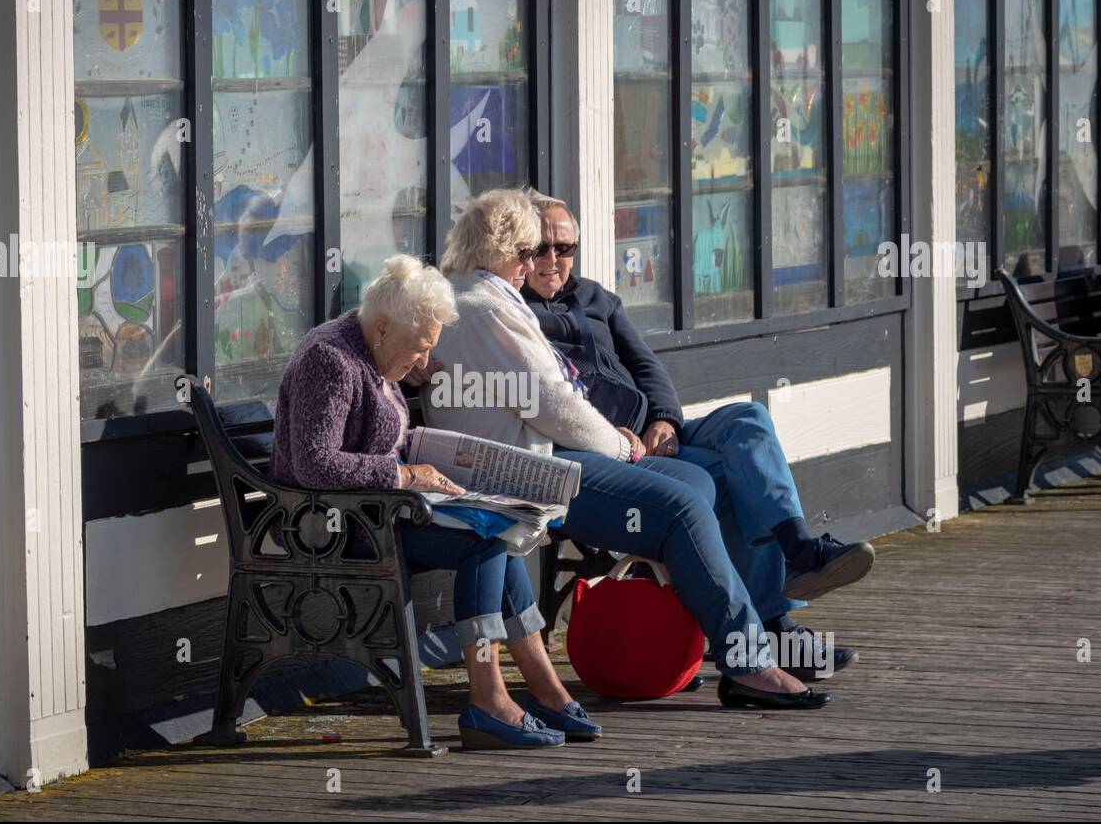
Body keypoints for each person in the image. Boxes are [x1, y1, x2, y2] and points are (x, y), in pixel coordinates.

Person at [422, 188, 829, 709]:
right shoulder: (483, 307)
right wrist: (626, 450)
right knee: (681, 504)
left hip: (538, 455)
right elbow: (556, 406)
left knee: (700, 481)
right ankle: (749, 661)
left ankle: (681, 643)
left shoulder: (486, 298)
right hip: (527, 472)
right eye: (527, 252)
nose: (537, 264)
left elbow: (611, 379)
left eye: (549, 251)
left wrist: (654, 427)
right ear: (497, 248)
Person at [517, 191, 875, 675]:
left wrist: (664, 418)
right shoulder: (515, 314)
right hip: (609, 454)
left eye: (565, 248)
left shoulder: (597, 299)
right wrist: (620, 439)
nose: (554, 260)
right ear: (520, 249)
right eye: (542, 248)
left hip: (659, 432)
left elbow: (646, 364)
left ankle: (799, 550)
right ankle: (774, 626)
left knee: (748, 421)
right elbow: (552, 405)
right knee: (729, 481)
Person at [271, 253, 601, 749]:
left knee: (500, 527)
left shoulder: (372, 349)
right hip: (332, 526)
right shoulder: (331, 360)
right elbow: (316, 465)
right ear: (383, 327)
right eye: (419, 348)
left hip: (375, 512)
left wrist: (441, 462)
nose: (424, 363)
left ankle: (539, 686)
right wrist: (403, 473)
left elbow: (374, 439)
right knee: (484, 541)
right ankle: (491, 698)